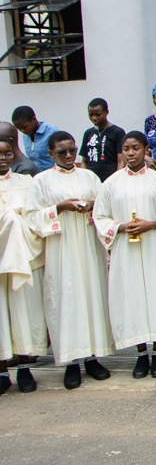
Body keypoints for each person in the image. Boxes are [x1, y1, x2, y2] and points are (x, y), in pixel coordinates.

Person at [25, 131, 114, 388]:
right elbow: (32, 216)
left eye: (72, 150)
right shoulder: (41, 181)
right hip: (60, 247)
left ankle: (93, 357)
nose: (68, 156)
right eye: (62, 152)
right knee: (66, 300)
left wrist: (91, 205)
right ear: (50, 154)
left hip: (88, 245)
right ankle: (71, 362)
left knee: (91, 297)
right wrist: (60, 207)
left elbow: (105, 205)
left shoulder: (90, 176)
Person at [92, 131, 156, 378]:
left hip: (153, 245)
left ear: (145, 150)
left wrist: (151, 225)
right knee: (133, 297)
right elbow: (100, 216)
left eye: (135, 148)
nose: (130, 153)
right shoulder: (112, 183)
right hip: (125, 248)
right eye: (126, 149)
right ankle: (141, 354)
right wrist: (120, 226)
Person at [0, 138, 47, 394]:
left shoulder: (26, 183)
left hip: (22, 256)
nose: (2, 158)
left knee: (23, 313)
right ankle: (1, 371)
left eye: (7, 153)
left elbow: (33, 216)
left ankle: (24, 368)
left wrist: (15, 224)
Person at [81, 98, 124, 181]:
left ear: (106, 112)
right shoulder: (88, 133)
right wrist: (84, 179)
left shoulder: (118, 132)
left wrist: (117, 180)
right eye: (91, 115)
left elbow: (121, 160)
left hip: (110, 180)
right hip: (92, 181)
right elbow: (84, 161)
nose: (94, 118)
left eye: (98, 114)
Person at [11, 107, 59, 172]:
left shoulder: (53, 132)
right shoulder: (25, 136)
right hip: (34, 176)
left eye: (24, 127)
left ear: (34, 119)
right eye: (18, 128)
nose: (22, 131)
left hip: (51, 176)